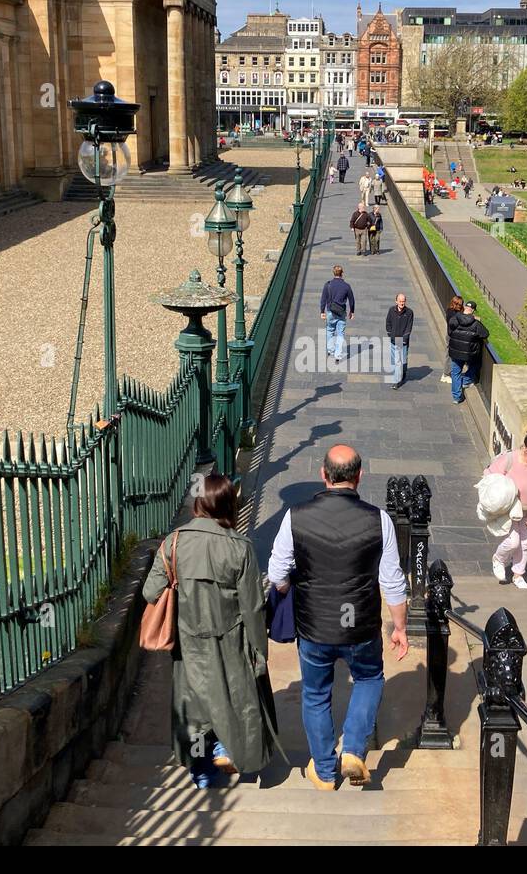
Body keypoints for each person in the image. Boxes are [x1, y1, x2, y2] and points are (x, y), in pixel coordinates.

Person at [267, 444, 409, 789]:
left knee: (316, 694)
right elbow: (392, 580)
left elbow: (277, 572)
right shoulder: (380, 520)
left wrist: (287, 592)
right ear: (359, 476)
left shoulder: (294, 515)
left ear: (323, 475)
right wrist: (400, 627)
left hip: (314, 623)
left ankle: (326, 771)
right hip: (360, 624)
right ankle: (354, 750)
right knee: (369, 679)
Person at [142, 475, 278, 788]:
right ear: (230, 504)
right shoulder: (240, 547)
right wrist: (259, 652)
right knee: (231, 696)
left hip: (188, 638)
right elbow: (253, 607)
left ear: (198, 503)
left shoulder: (174, 542)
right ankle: (225, 747)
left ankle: (202, 772)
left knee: (195, 704)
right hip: (230, 637)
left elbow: (151, 592)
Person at [484, 431, 527, 589]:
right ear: (525, 447)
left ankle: (518, 575)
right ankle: (499, 560)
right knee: (513, 542)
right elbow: (489, 474)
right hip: (510, 510)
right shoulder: (510, 459)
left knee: (525, 542)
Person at [447, 299, 488, 404]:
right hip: (469, 353)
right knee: (475, 365)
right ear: (473, 310)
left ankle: (456, 397)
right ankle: (465, 381)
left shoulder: (454, 319)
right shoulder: (476, 323)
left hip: (455, 351)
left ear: (465, 307)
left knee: (455, 373)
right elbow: (485, 334)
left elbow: (450, 332)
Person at [319, 264, 354, 363]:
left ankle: (330, 350)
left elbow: (323, 299)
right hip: (341, 313)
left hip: (330, 312)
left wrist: (322, 311)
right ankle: (338, 355)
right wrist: (352, 311)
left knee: (330, 330)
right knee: (340, 334)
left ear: (333, 273)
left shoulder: (328, 285)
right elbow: (352, 300)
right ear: (342, 273)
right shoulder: (346, 286)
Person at [385, 292, 413, 389]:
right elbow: (388, 323)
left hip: (403, 340)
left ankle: (402, 373)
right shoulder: (391, 310)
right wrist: (390, 335)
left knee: (402, 360)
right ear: (396, 301)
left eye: (403, 301)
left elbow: (409, 327)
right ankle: (397, 381)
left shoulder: (409, 312)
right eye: (400, 301)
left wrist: (404, 339)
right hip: (394, 339)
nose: (402, 303)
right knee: (396, 361)